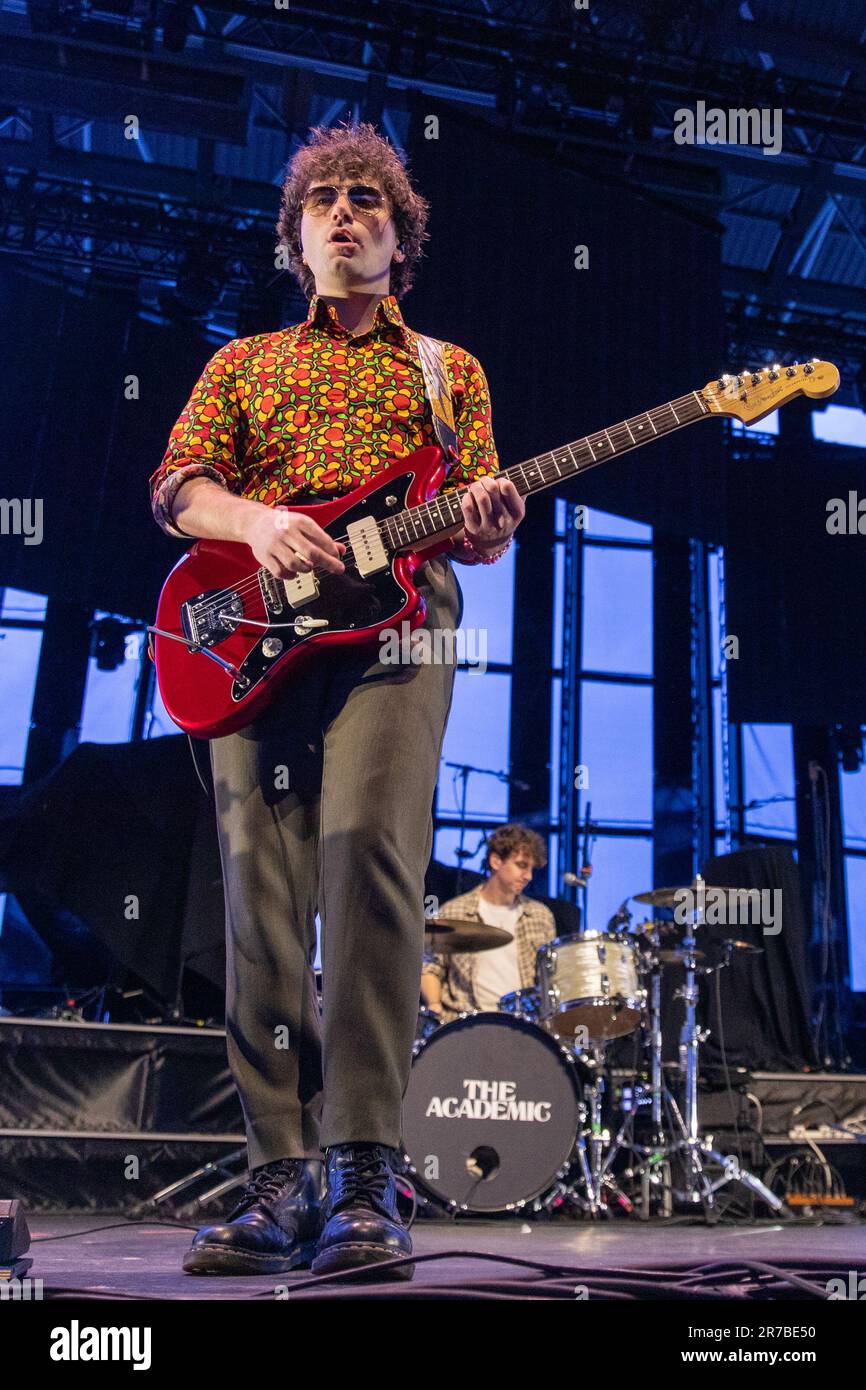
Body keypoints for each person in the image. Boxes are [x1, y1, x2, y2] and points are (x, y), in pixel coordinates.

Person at [148, 121, 525, 1279]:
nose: (345, 213)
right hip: (255, 634)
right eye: (325, 201)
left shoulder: (445, 368)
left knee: (368, 865)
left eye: (369, 200)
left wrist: (492, 522)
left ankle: (365, 1171)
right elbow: (176, 492)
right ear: (297, 235)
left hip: (399, 627)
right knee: (259, 899)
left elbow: (474, 520)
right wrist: (256, 520)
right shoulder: (242, 365)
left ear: (398, 239)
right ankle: (277, 1177)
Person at [421, 825, 556, 1023]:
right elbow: (430, 966)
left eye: (531, 868)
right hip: (464, 1025)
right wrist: (435, 1009)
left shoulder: (541, 916)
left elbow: (550, 979)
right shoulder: (455, 912)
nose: (529, 876)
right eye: (521, 865)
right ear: (495, 861)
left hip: (523, 1027)